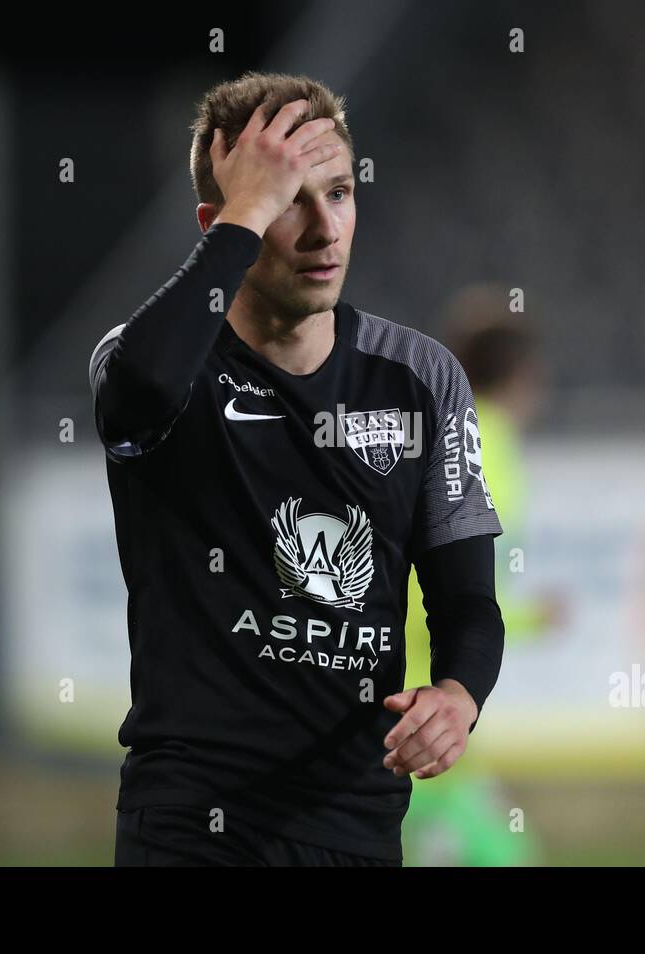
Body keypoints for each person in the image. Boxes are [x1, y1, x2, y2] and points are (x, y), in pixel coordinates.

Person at [89, 72, 505, 866]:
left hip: (356, 826)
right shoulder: (160, 364)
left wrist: (457, 696)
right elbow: (135, 391)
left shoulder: (420, 378)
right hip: (190, 827)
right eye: (288, 201)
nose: (325, 230)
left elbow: (468, 607)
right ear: (222, 226)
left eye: (340, 192)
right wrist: (244, 210)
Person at [401, 288, 566, 865]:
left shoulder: (446, 425)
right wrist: (532, 618)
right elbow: (460, 584)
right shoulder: (488, 442)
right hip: (429, 686)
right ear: (521, 372)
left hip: (412, 678)